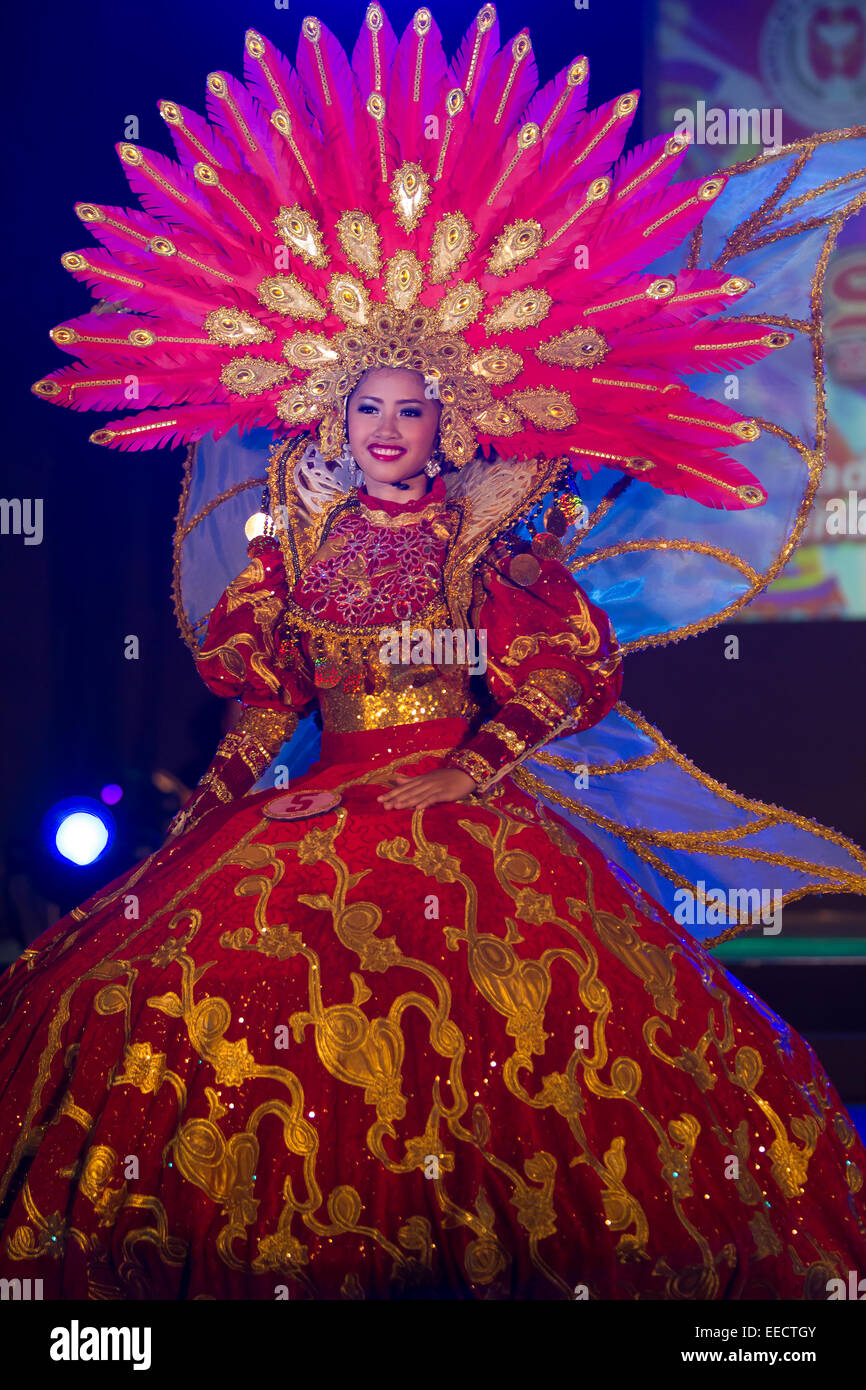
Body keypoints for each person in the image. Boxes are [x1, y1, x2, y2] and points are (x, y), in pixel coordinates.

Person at [5, 6, 866, 1300]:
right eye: (369, 407)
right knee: (167, 1014)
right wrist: (218, 795)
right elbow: (267, 697)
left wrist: (477, 763)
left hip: (462, 817)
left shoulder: (488, 541)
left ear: (447, 418)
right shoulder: (292, 546)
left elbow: (565, 671)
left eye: (414, 407)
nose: (392, 426)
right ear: (333, 419)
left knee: (517, 1077)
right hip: (307, 811)